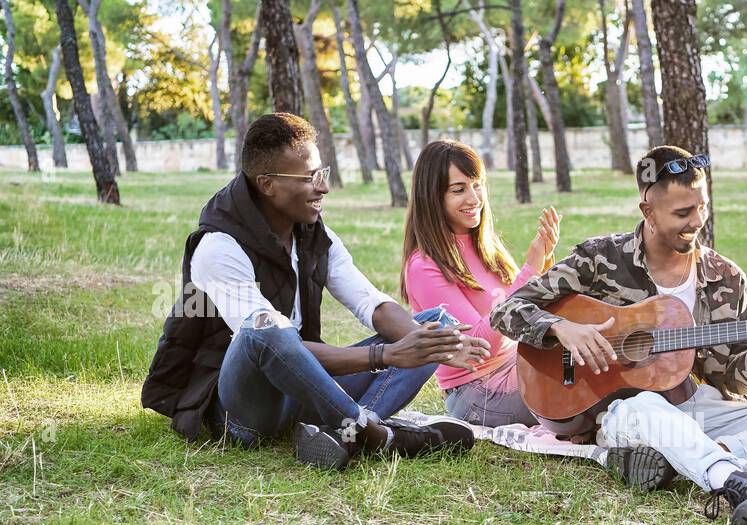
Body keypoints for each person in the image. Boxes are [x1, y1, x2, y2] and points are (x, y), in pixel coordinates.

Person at [490, 145, 747, 525]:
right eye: (682, 213)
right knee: (647, 405)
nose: (697, 222)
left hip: (692, 407)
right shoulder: (601, 259)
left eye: (701, 207)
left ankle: (696, 454)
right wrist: (561, 329)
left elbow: (734, 386)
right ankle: (740, 485)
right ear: (647, 212)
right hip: (617, 412)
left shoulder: (725, 278)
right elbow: (507, 310)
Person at [142, 113, 489, 469]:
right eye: (310, 178)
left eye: (322, 174)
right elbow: (272, 343)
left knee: (435, 325)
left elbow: (370, 302)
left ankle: (344, 434)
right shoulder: (218, 247)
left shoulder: (314, 235)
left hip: (304, 392)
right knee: (266, 328)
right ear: (267, 184)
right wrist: (385, 355)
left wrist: (437, 345)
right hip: (242, 413)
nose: (323, 187)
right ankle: (376, 434)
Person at [402, 140, 562, 428]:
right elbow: (479, 345)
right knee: (582, 392)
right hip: (478, 391)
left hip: (519, 362)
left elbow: (524, 309)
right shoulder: (424, 266)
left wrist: (545, 263)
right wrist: (530, 270)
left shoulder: (483, 244)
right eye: (458, 189)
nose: (474, 198)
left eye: (478, 185)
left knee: (595, 364)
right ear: (432, 197)